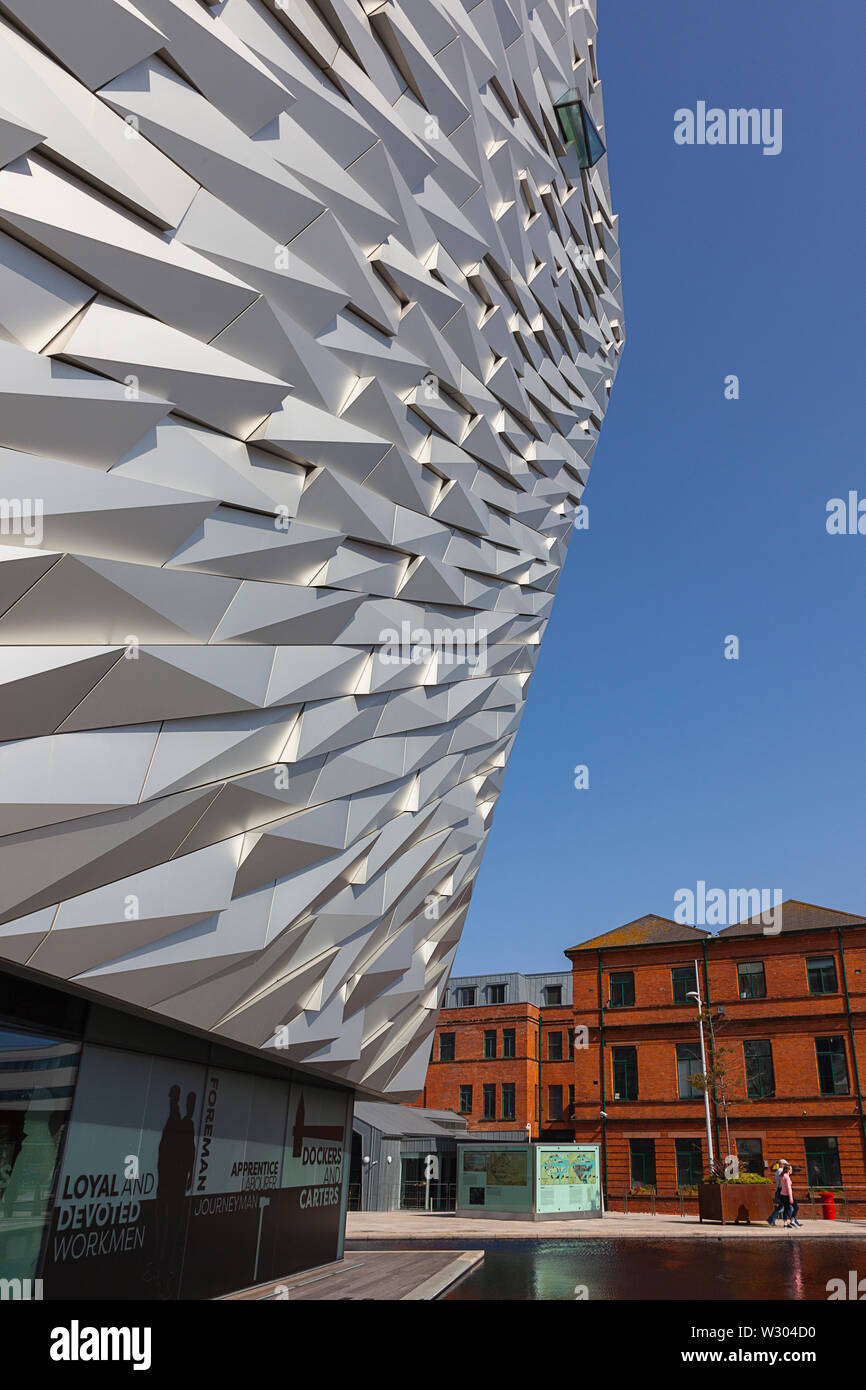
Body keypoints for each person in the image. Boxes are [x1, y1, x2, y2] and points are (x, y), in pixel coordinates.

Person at [767, 1159, 787, 1226]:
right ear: (781, 1164)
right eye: (785, 1164)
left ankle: (771, 1219)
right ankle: (793, 1221)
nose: (785, 1166)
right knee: (785, 1207)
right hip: (782, 1190)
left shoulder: (778, 1171)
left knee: (782, 1206)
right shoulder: (780, 1171)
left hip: (780, 1189)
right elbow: (782, 1182)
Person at [779, 1162, 795, 1228]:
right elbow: (788, 1188)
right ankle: (792, 1221)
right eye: (791, 1169)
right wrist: (791, 1198)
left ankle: (785, 1223)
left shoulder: (782, 1176)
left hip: (782, 1194)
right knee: (796, 1207)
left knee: (786, 1209)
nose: (792, 1170)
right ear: (788, 1170)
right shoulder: (787, 1177)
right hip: (787, 1195)